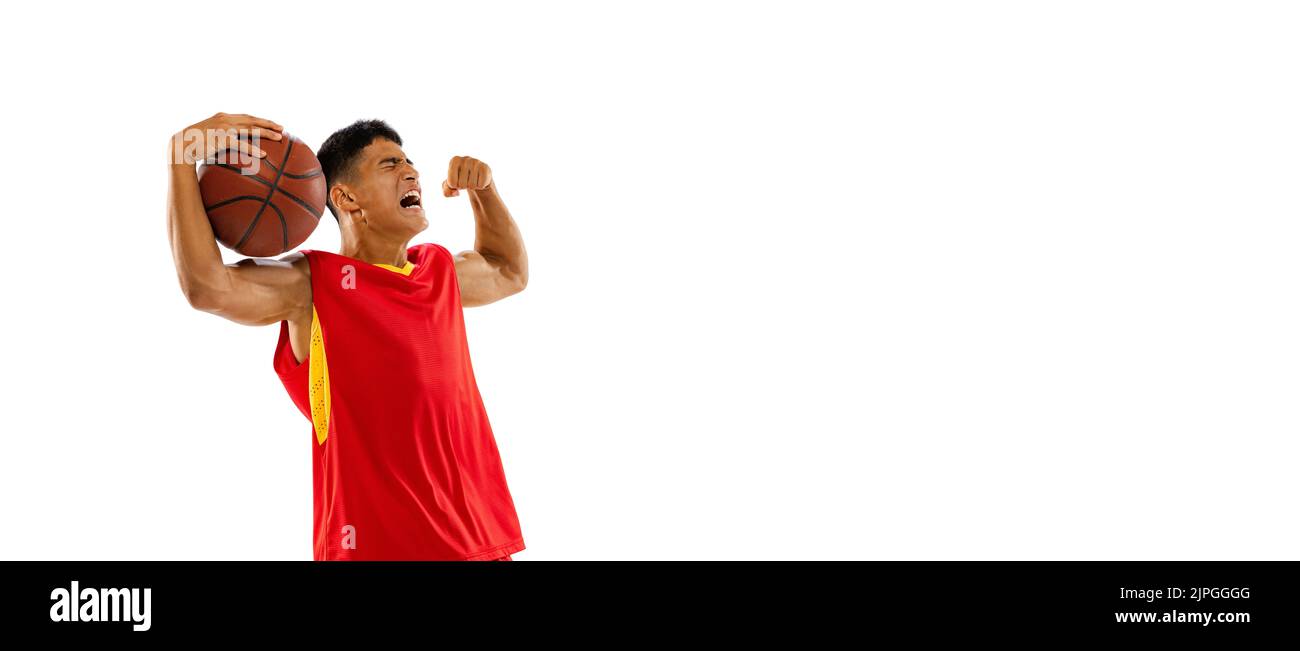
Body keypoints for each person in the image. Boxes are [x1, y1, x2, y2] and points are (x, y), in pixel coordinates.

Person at [167, 113, 528, 561]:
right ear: (346, 198)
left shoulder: (438, 271)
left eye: (409, 161)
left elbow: (508, 271)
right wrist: (182, 159)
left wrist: (485, 191)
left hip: (481, 546)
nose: (411, 171)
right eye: (390, 165)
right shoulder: (313, 285)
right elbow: (209, 287)